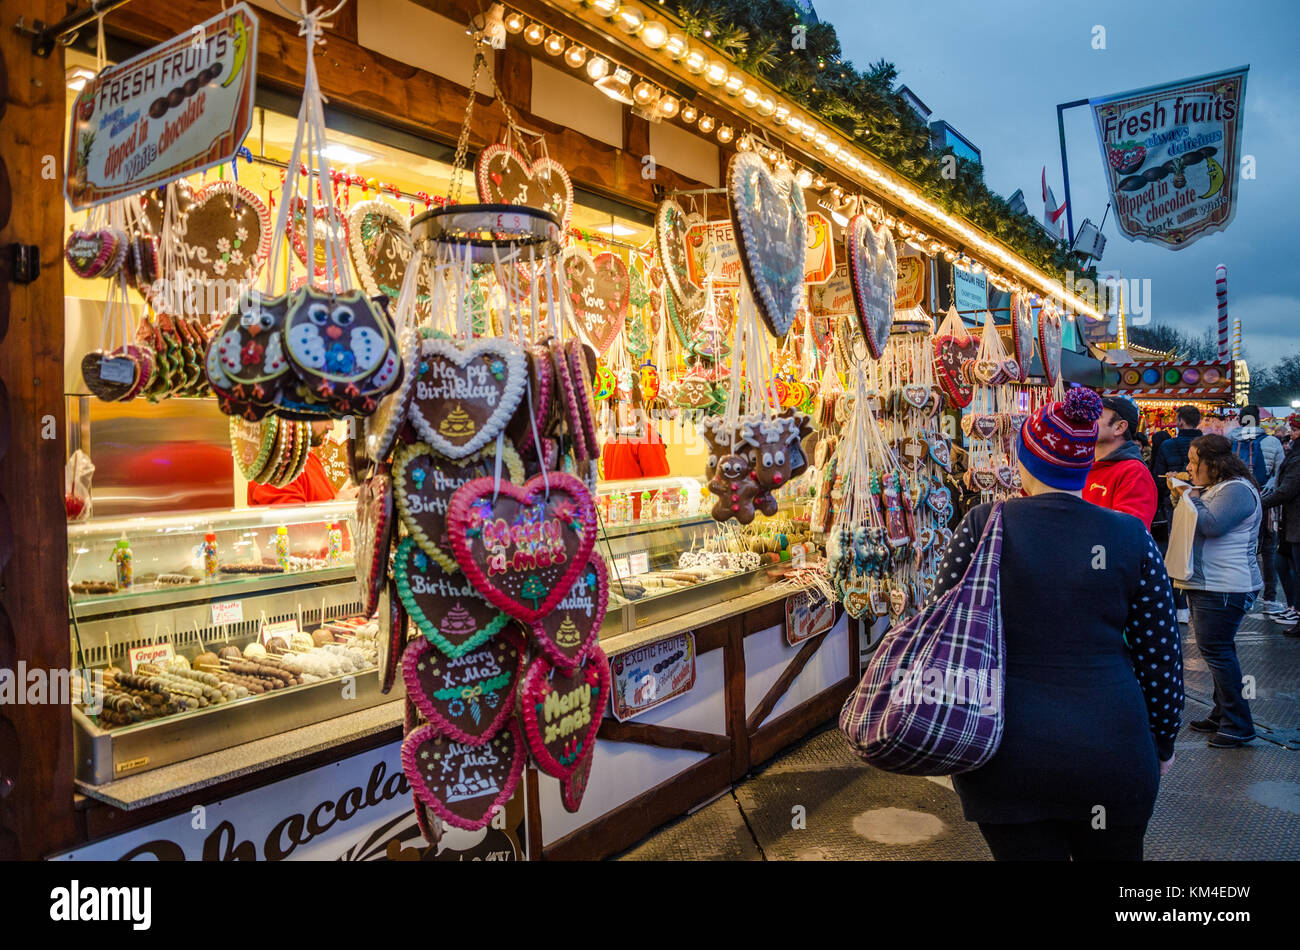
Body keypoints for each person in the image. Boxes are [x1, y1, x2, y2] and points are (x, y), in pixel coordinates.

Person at [929, 389, 1182, 861]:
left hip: (1004, 751)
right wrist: (1163, 738)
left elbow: (939, 629)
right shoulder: (1129, 536)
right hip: (1113, 747)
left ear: (1025, 461)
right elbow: (1160, 654)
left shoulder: (984, 524)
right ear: (1084, 465)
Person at [1166, 434, 1261, 748]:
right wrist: (1185, 494)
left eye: (1195, 462)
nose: (1189, 468)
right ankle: (1222, 713)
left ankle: (1238, 723)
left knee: (1217, 652)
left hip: (1226, 585)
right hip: (1210, 583)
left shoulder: (1237, 491)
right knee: (1219, 651)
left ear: (1215, 464)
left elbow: (1211, 525)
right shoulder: (1214, 488)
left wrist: (1185, 494)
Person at [1230, 405, 1285, 617]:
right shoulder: (1272, 442)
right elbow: (1279, 474)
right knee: (1269, 551)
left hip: (1236, 503)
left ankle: (1242, 596)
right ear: (1258, 420)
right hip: (1266, 503)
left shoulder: (1231, 442)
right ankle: (1269, 600)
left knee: (1240, 550)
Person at [1153, 405, 1203, 623]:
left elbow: (1158, 478)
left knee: (1177, 552)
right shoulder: (1206, 445)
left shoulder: (1167, 445)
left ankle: (1181, 606)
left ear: (1179, 421)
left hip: (1173, 506)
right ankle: (1200, 600)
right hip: (1202, 501)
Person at [1084, 393, 1158, 527]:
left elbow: (1129, 532)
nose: (1087, 420)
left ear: (1119, 427)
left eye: (1096, 416)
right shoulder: (1084, 466)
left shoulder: (1134, 473)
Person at [1261, 413, 1300, 634]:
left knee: (1290, 564)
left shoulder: (1297, 457)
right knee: (1282, 563)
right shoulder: (1292, 454)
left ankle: (1297, 610)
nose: (1290, 435)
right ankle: (1294, 606)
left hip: (1294, 519)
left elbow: (1288, 489)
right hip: (1288, 519)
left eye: (1294, 430)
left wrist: (1262, 502)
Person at [248, 420, 342, 505]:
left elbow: (325, 499)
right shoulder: (275, 468)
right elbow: (292, 521)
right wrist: (338, 505)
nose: (331, 426)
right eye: (325, 416)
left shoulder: (307, 458)